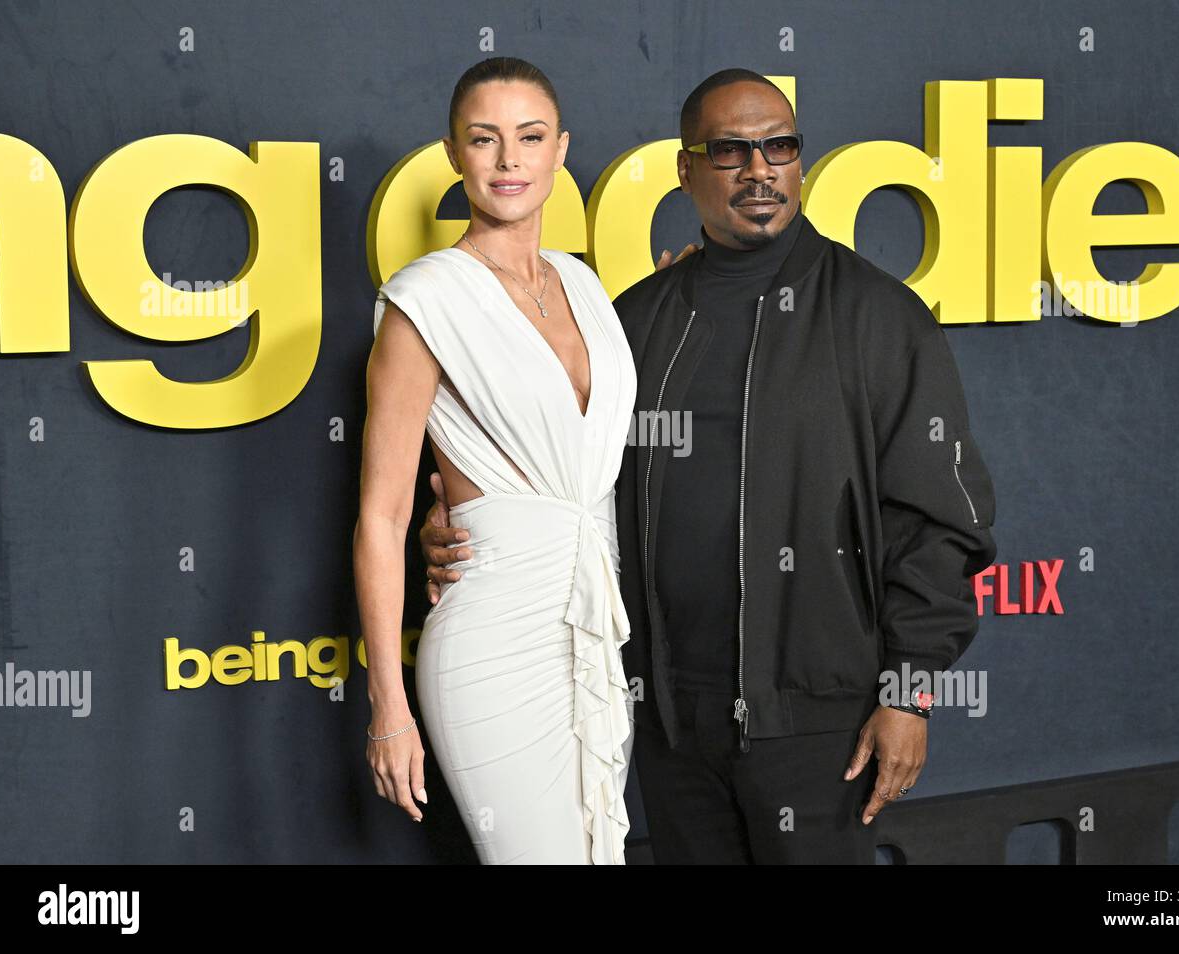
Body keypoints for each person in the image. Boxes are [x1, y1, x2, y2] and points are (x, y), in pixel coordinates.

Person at [420, 68, 998, 864]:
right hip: (665, 719)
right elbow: (566, 475)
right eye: (730, 152)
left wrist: (909, 693)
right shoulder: (634, 321)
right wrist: (462, 516)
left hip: (821, 722)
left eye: (779, 147)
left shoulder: (878, 316)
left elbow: (941, 525)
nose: (759, 170)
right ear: (686, 169)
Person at [354, 56, 638, 864]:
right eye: (485, 140)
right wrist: (388, 707)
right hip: (491, 642)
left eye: (530, 137)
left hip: (589, 628)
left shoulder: (585, 288)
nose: (509, 160)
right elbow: (382, 515)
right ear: (455, 154)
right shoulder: (425, 300)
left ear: (561, 151)